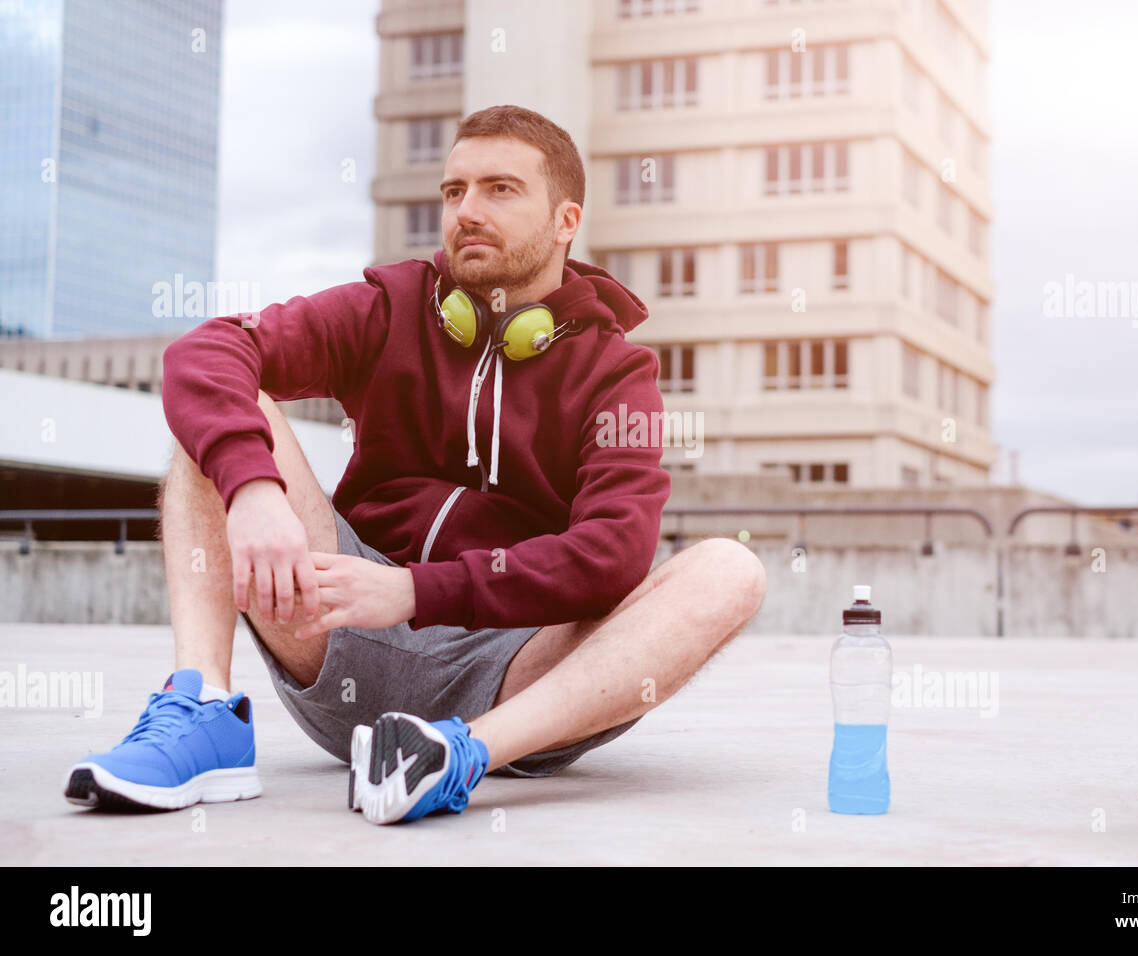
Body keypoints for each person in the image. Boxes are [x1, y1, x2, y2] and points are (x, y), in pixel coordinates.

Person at [62, 104, 766, 824]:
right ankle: (204, 703)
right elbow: (204, 352)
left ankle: (454, 755)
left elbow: (612, 554)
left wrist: (415, 591)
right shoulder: (391, 307)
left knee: (730, 569)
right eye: (454, 191)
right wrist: (252, 490)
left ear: (566, 221)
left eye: (500, 189)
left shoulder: (618, 373)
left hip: (520, 681)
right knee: (222, 417)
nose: (467, 210)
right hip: (342, 639)